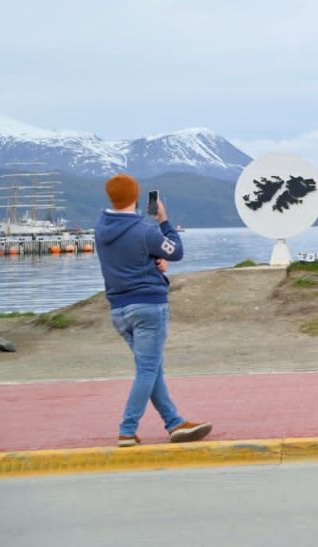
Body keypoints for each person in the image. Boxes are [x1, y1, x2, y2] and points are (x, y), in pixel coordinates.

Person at [95, 174, 212, 447]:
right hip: (148, 306)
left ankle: (174, 424)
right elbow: (176, 250)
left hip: (119, 310)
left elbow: (130, 258)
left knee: (151, 368)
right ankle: (127, 429)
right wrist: (163, 220)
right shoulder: (146, 230)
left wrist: (152, 260)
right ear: (136, 198)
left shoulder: (100, 229)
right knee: (148, 369)